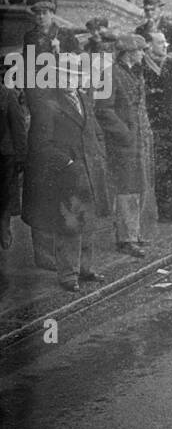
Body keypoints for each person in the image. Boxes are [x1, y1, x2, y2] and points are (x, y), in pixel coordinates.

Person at [21, 58, 111, 292]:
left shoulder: (82, 98)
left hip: (89, 169)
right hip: (67, 174)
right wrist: (67, 162)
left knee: (88, 223)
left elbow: (91, 131)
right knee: (69, 226)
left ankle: (86, 269)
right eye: (67, 75)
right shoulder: (47, 104)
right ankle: (68, 275)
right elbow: (41, 145)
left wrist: (98, 156)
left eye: (75, 74)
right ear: (57, 77)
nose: (72, 79)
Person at [95, 34, 151, 258]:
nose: (143, 54)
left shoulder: (131, 72)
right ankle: (126, 238)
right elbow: (102, 110)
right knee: (126, 191)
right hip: (123, 144)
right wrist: (125, 133)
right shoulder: (110, 75)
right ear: (129, 52)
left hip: (136, 141)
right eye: (140, 50)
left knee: (137, 188)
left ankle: (133, 234)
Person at [141, 25, 172, 224]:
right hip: (157, 127)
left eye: (165, 41)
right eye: (160, 42)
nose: (165, 45)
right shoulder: (143, 67)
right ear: (149, 46)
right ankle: (165, 213)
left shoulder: (171, 65)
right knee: (163, 170)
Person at [0, 84, 27, 279]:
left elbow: (18, 126)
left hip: (4, 155)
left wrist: (21, 156)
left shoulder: (7, 94)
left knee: (5, 195)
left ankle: (4, 224)